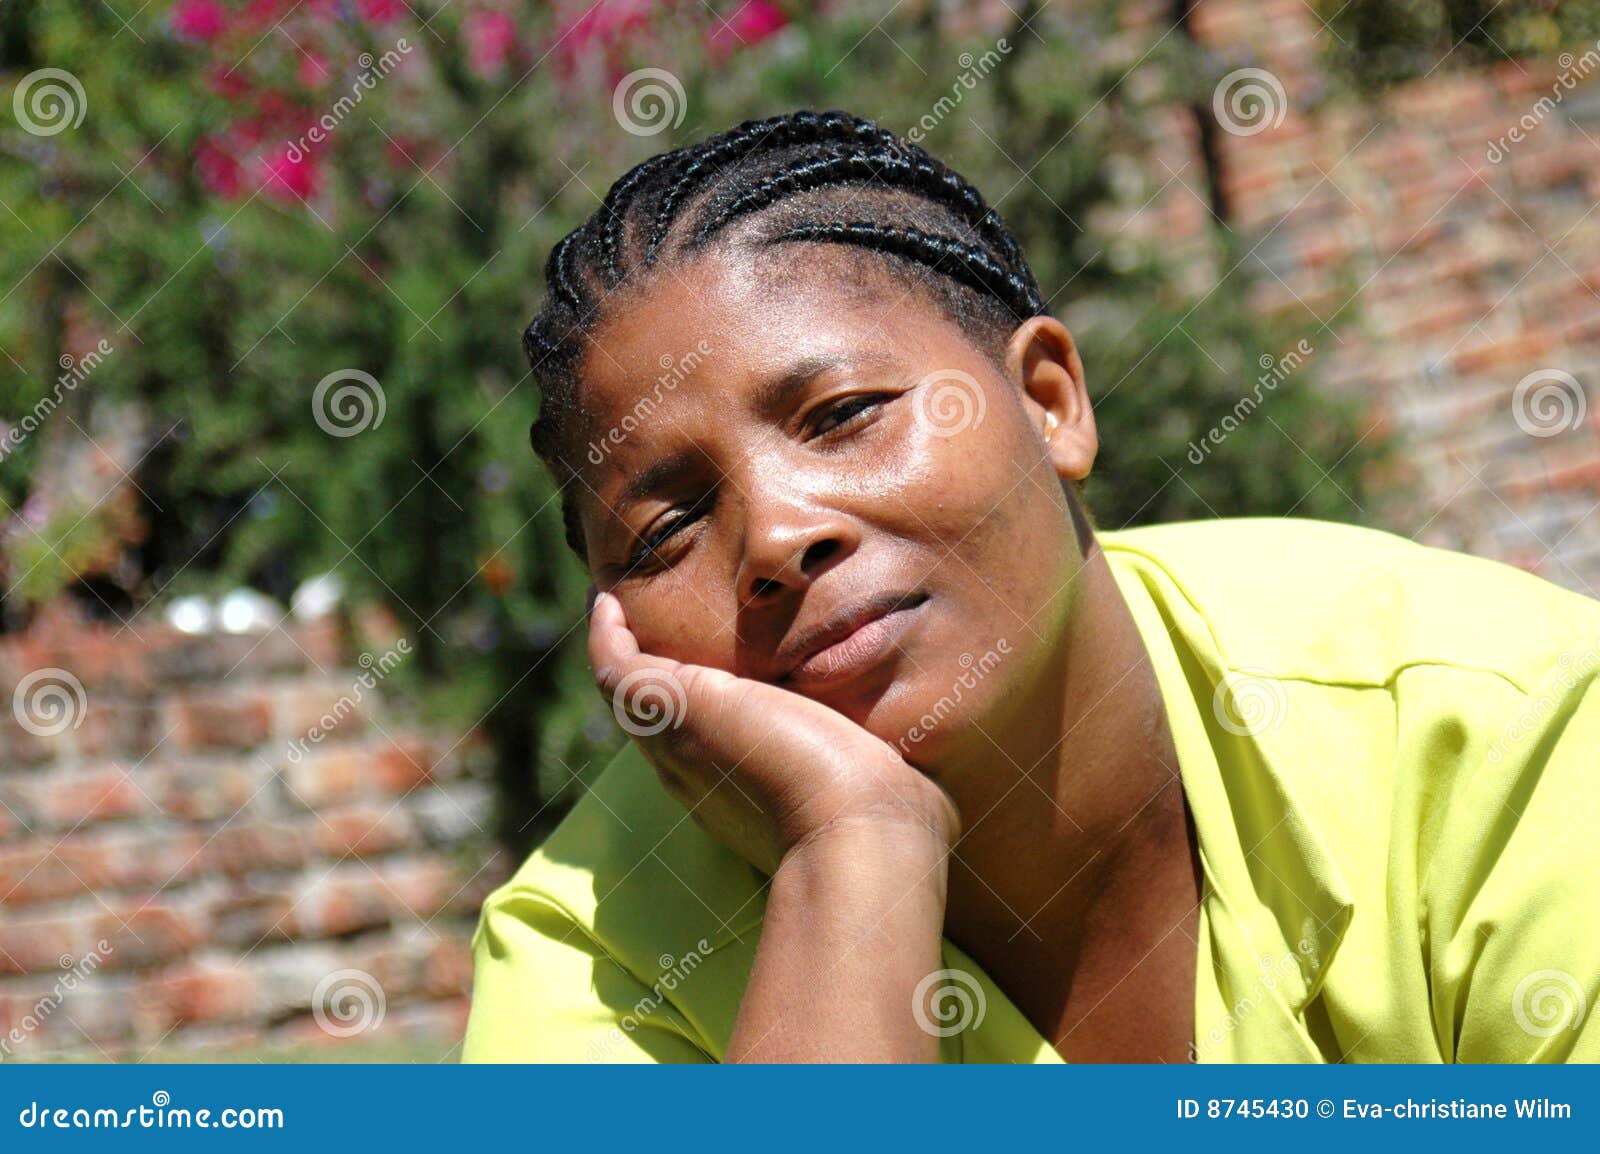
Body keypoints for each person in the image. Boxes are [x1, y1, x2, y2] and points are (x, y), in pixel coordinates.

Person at [463, 110, 1600, 1063]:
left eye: (845, 415)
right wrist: (854, 849)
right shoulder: (592, 955)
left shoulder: (1490, 721)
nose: (776, 539)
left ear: (1050, 401)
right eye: (665, 528)